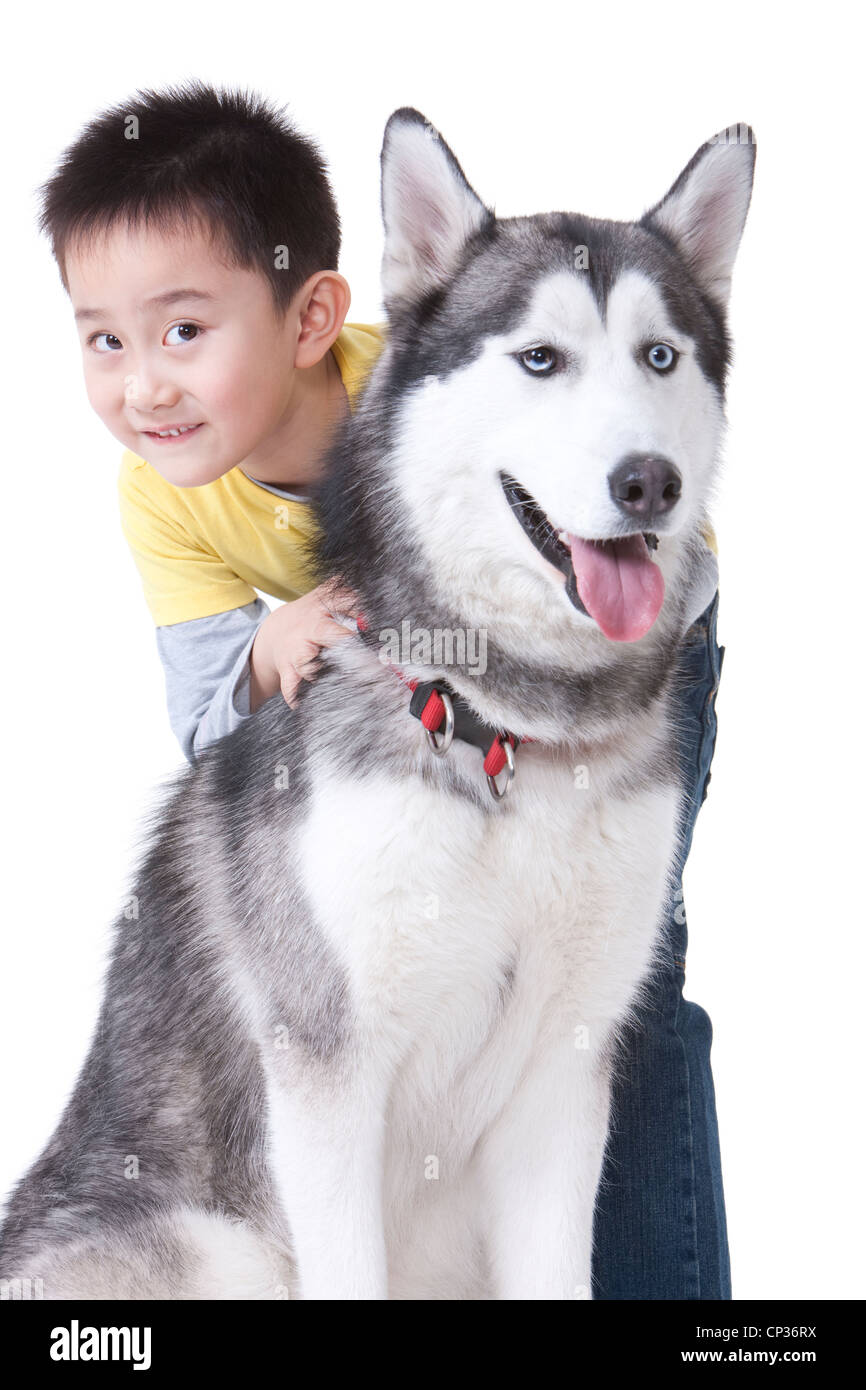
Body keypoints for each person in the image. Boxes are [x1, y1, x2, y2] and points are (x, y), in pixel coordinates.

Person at [37, 79, 730, 1298]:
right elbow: (212, 719)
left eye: (183, 331)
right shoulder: (166, 490)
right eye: (107, 341)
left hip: (623, 669)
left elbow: (651, 582)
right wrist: (288, 646)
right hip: (394, 684)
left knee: (605, 1020)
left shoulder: (377, 378)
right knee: (390, 1019)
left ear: (314, 319)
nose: (146, 387)